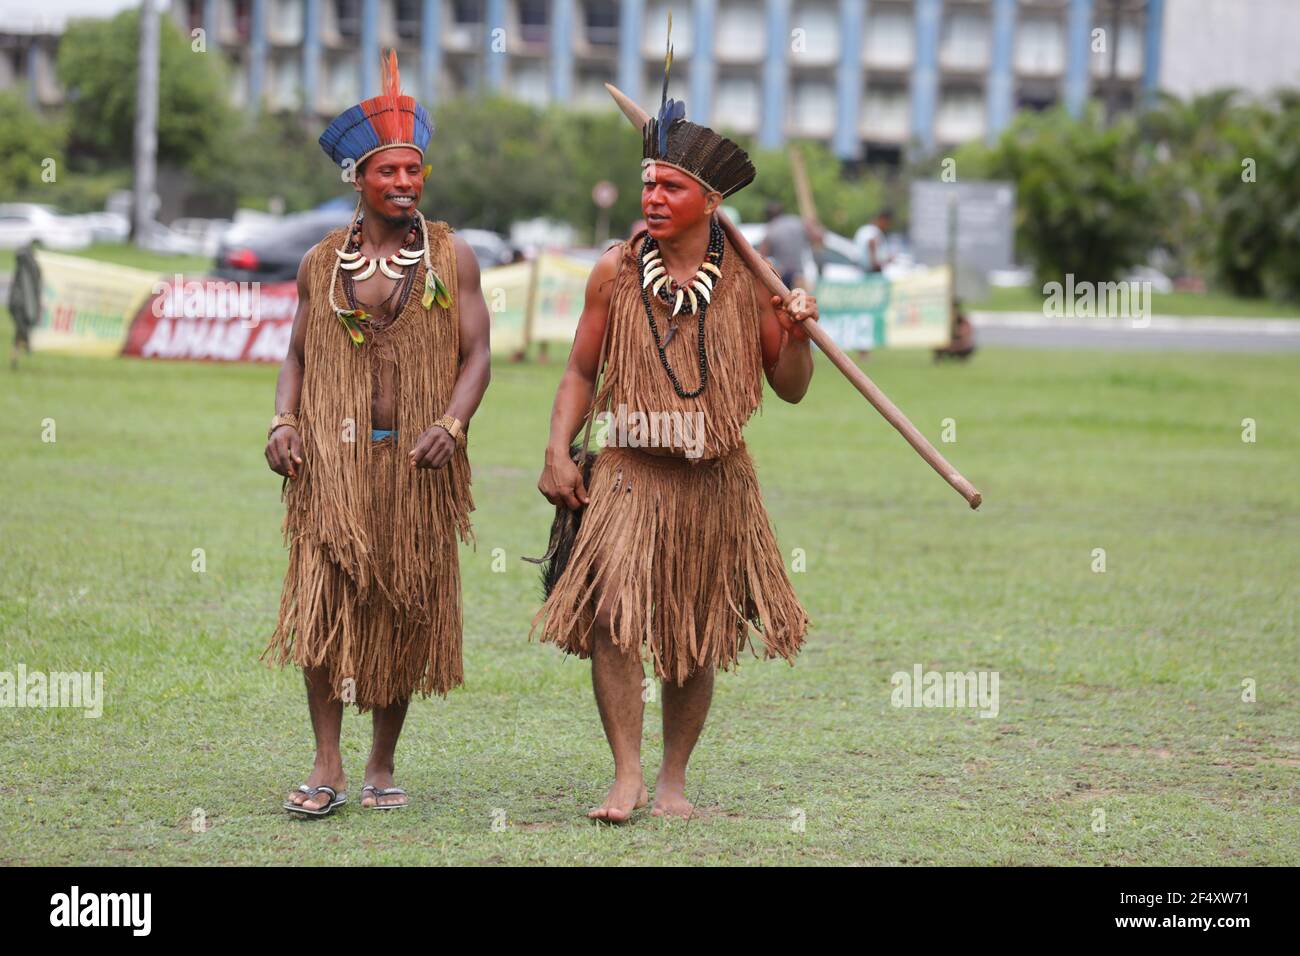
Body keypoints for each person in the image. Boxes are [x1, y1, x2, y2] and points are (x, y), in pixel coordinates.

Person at [532, 42, 818, 822]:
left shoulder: (753, 286)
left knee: (693, 633)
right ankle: (624, 775)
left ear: (709, 201)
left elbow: (789, 391)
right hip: (628, 467)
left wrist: (793, 335)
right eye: (647, 183)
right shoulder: (615, 272)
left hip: (716, 477)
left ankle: (672, 782)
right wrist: (558, 449)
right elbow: (580, 374)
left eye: (671, 187)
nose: (652, 197)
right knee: (612, 619)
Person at [263, 51, 491, 815]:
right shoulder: (321, 263)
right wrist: (283, 422)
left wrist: (453, 423)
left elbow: (479, 352)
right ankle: (325, 764)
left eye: (412, 172)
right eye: (388, 173)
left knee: (404, 606)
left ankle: (381, 765)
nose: (404, 184)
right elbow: (294, 353)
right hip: (333, 465)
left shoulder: (454, 255)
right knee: (326, 603)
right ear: (357, 179)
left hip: (416, 469)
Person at [759, 201, 810, 290]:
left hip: (781, 275)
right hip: (799, 275)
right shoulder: (797, 222)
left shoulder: (772, 228)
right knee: (799, 301)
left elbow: (762, 255)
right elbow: (815, 238)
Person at [8, 239, 41, 370]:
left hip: (19, 304)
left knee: (19, 333)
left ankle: (15, 358)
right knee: (22, 330)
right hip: (20, 305)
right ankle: (27, 346)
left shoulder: (26, 265)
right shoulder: (27, 265)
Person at [854, 208, 893, 274]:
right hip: (870, 271)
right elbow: (871, 242)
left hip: (859, 269)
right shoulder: (874, 230)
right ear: (882, 220)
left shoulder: (864, 229)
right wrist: (875, 263)